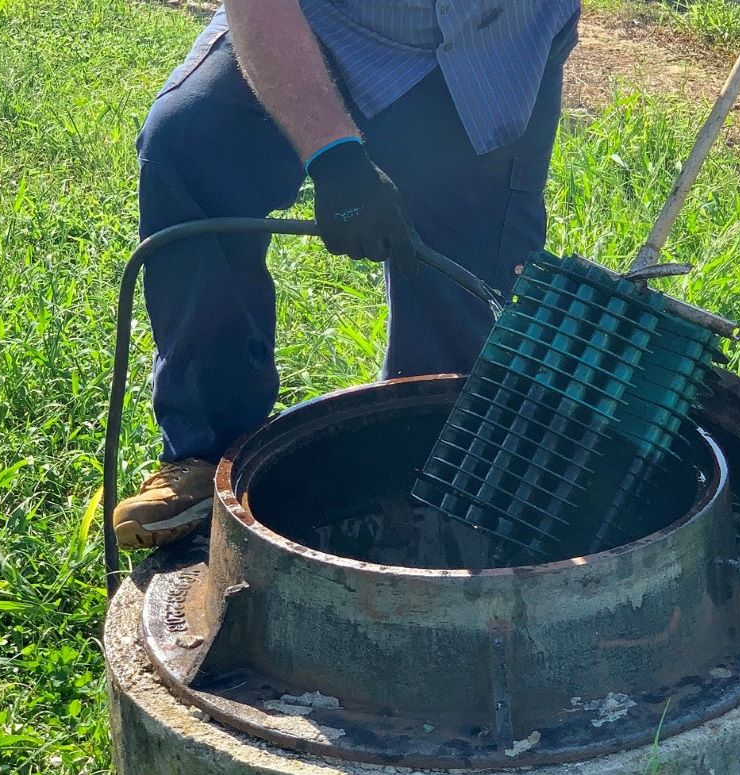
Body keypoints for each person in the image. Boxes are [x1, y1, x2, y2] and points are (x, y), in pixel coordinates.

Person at [111, 0, 580, 549]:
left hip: (492, 45)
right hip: (327, 22)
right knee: (190, 142)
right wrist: (333, 155)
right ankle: (207, 450)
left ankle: (426, 482)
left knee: (466, 298)